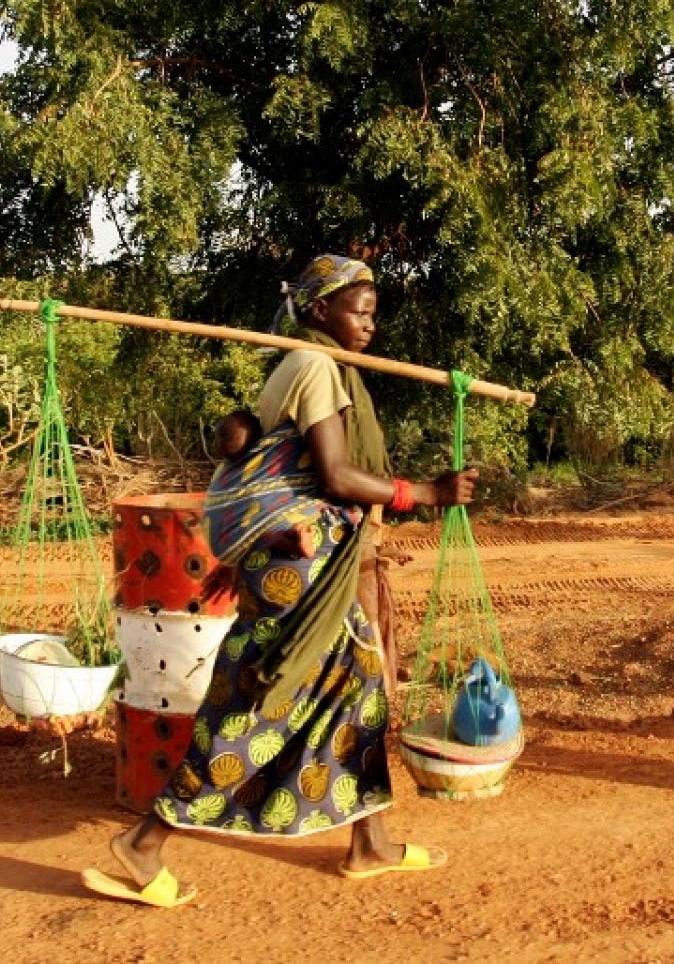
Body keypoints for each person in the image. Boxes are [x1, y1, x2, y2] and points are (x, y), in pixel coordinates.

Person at [81, 254, 478, 908]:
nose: (371, 324)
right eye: (360, 310)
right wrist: (426, 491)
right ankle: (143, 842)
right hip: (304, 562)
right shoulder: (317, 366)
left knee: (357, 691)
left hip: (296, 557)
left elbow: (270, 470)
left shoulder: (304, 363)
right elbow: (334, 476)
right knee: (264, 701)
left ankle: (369, 841)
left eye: (375, 313)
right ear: (321, 310)